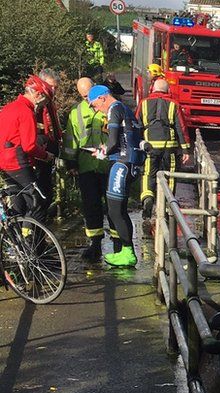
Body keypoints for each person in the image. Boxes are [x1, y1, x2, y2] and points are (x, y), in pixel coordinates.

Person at [63, 78, 117, 261]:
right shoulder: (76, 112)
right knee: (91, 206)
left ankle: (119, 246)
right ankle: (95, 245)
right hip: (87, 166)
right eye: (84, 96)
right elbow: (71, 140)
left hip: (109, 165)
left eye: (89, 95)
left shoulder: (109, 106)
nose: (88, 100)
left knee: (113, 207)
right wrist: (70, 163)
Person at [90, 85, 143, 268]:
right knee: (120, 210)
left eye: (94, 104)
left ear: (102, 98)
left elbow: (113, 142)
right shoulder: (125, 109)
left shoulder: (114, 109)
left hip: (121, 163)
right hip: (131, 163)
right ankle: (126, 251)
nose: (96, 109)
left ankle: (128, 252)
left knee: (114, 210)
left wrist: (102, 152)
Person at [0, 76, 54, 217]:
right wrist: (45, 155)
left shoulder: (8, 108)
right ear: (38, 94)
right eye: (45, 101)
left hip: (5, 163)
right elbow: (29, 146)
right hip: (18, 163)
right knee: (37, 201)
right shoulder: (26, 112)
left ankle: (14, 236)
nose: (43, 105)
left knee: (18, 204)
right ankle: (31, 237)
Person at [136, 79, 191, 219]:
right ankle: (167, 206)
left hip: (150, 147)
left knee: (148, 174)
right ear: (168, 90)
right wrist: (185, 150)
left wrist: (138, 144)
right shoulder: (174, 104)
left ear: (152, 89)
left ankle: (147, 198)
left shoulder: (143, 103)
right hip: (169, 148)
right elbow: (181, 128)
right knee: (170, 176)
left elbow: (136, 124)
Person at [33, 69, 62, 220]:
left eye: (56, 88)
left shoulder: (50, 103)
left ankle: (38, 233)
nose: (53, 91)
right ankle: (32, 234)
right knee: (39, 196)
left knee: (47, 195)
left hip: (49, 153)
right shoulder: (37, 104)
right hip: (38, 155)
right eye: (51, 87)